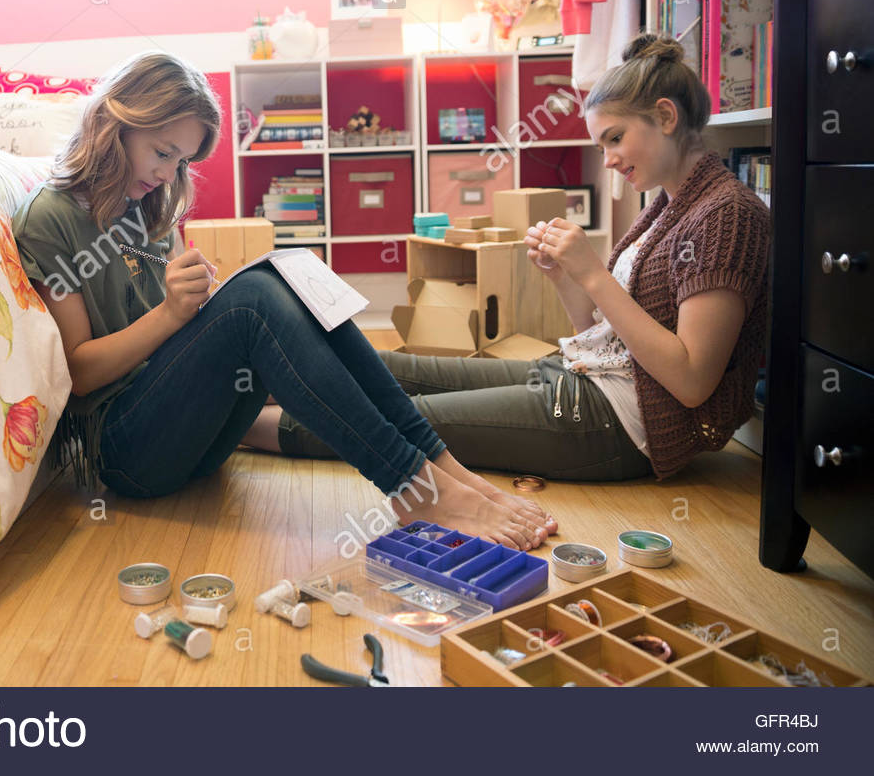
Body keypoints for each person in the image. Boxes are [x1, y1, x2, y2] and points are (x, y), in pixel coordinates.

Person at [11, 51, 552, 550]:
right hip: (127, 455)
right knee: (251, 300)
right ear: (117, 125)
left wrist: (199, 310)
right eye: (162, 153)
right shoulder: (51, 218)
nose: (166, 175)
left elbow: (177, 342)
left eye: (180, 163)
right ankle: (414, 484)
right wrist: (174, 313)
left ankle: (442, 468)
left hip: (188, 437)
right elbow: (79, 373)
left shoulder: (145, 204)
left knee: (287, 275)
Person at [249, 34, 770, 484]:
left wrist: (592, 273)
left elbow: (692, 380)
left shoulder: (727, 216)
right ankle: (241, 387)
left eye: (615, 138)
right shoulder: (667, 205)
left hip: (626, 423)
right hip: (579, 375)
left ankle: (235, 429)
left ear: (665, 116)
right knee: (386, 367)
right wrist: (567, 278)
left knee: (400, 419)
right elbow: (598, 328)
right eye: (602, 143)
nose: (608, 158)